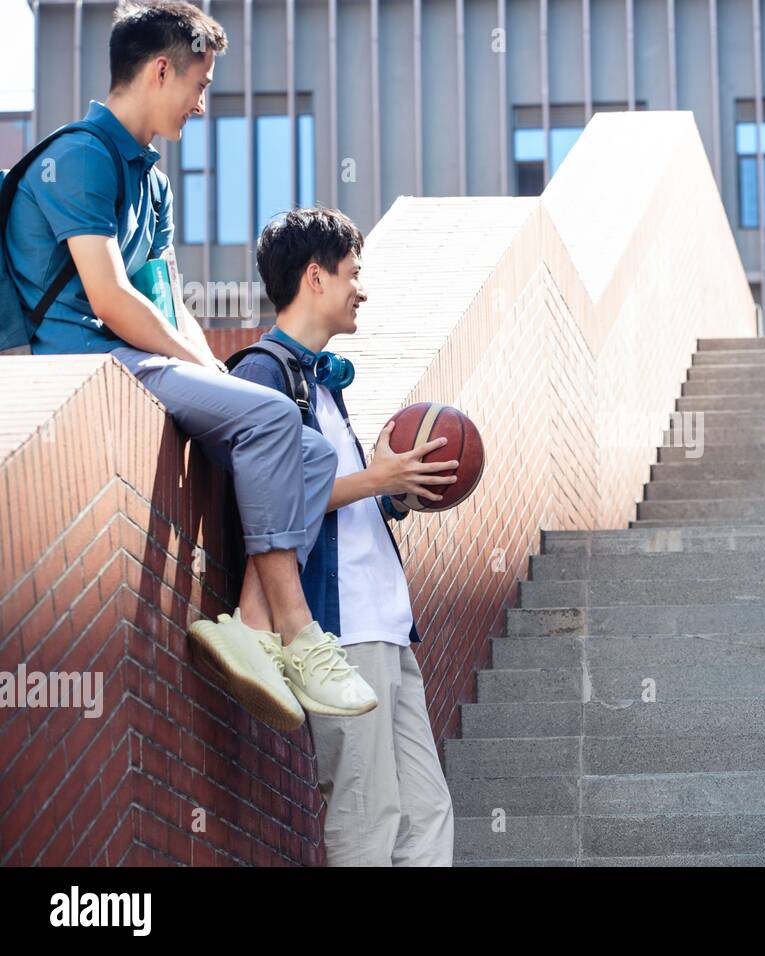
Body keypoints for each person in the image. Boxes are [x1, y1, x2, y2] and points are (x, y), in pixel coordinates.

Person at [3, 0, 375, 731]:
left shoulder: (155, 182)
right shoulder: (80, 156)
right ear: (162, 69)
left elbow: (171, 304)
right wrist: (212, 379)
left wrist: (220, 378)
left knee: (301, 446)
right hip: (92, 363)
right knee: (273, 417)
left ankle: (251, 626)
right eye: (200, 86)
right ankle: (297, 634)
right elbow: (110, 298)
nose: (202, 107)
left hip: (143, 359)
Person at [229, 207, 456, 866]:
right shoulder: (263, 375)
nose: (362, 288)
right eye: (353, 274)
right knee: (368, 806)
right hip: (339, 629)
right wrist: (373, 476)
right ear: (315, 278)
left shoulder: (321, 384)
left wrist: (390, 491)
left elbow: (332, 506)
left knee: (427, 809)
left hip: (387, 623)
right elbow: (263, 505)